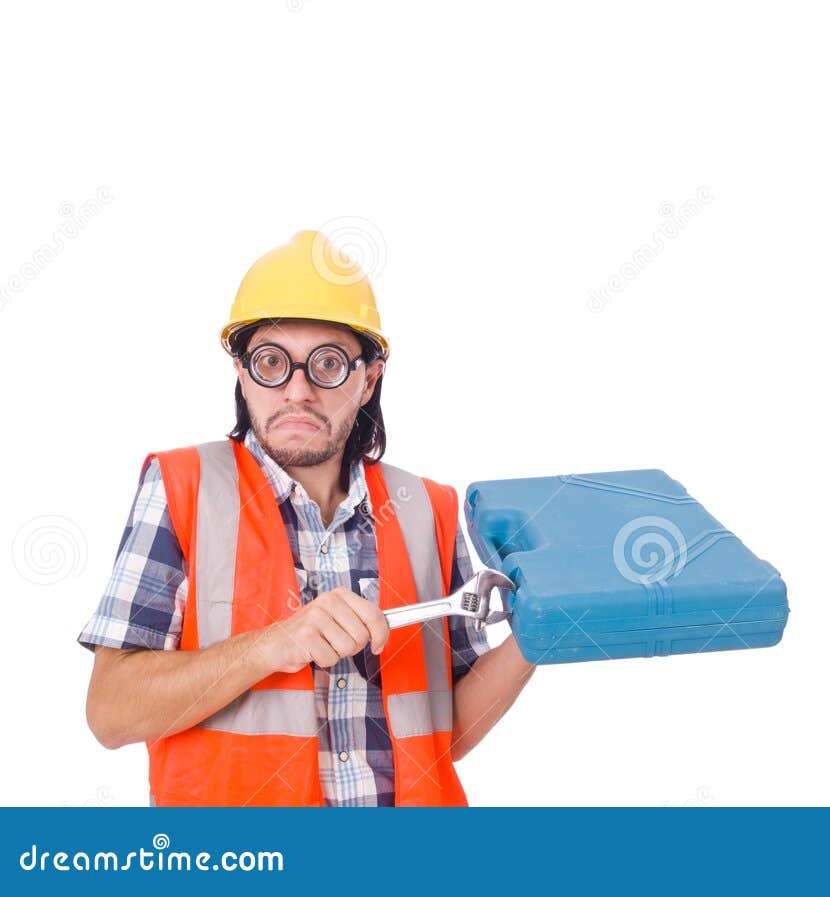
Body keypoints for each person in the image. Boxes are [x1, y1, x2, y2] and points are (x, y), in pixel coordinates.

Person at [79, 230, 536, 806]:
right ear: (243, 375)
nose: (297, 392)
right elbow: (110, 714)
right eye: (271, 362)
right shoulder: (181, 487)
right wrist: (271, 646)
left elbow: (450, 733)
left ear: (368, 379)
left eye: (327, 364)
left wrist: (534, 637)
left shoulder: (428, 508)